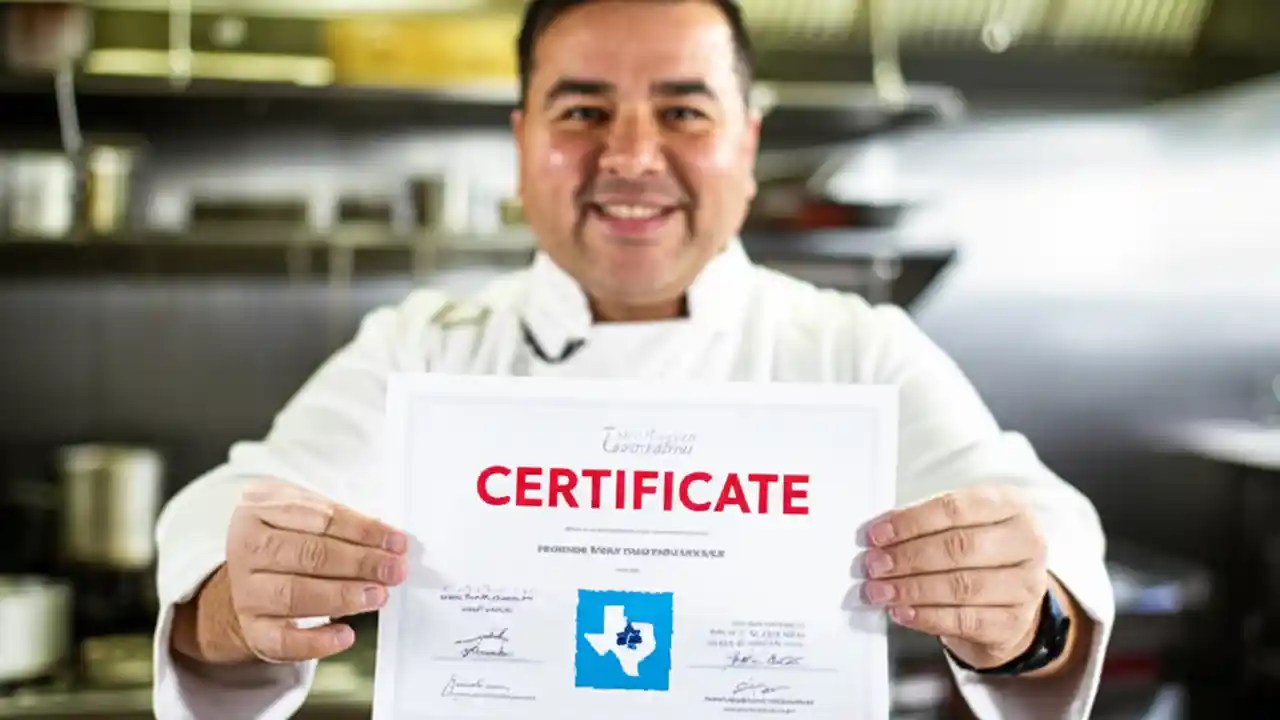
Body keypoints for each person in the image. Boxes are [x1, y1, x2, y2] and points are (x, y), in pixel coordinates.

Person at [153, 0, 1114, 718]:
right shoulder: (422, 350)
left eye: (684, 112)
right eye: (580, 112)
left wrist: (1025, 615)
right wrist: (233, 606)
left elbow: (1042, 533)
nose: (631, 155)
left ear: (747, 142)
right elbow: (233, 509)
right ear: (522, 140)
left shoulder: (856, 351)